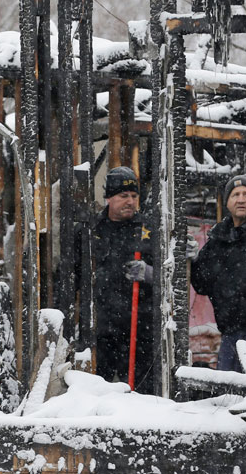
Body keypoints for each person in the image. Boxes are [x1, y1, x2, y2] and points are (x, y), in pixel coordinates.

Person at [190, 173, 246, 373]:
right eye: (235, 195)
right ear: (227, 202)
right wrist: (193, 260)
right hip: (229, 330)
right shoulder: (219, 238)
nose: (241, 199)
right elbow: (201, 284)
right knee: (226, 390)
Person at [89, 166, 158, 393]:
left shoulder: (148, 229)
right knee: (99, 391)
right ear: (109, 198)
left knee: (140, 393)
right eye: (123, 196)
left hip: (139, 328)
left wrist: (148, 273)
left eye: (134, 196)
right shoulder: (92, 230)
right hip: (102, 329)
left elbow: (170, 276)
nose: (130, 201)